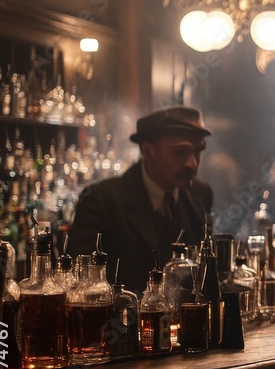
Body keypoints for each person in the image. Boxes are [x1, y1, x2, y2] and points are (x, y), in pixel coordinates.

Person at [69, 107, 213, 294]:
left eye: (198, 151)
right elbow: (83, 281)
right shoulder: (102, 200)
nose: (192, 163)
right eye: (180, 152)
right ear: (148, 150)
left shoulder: (200, 194)